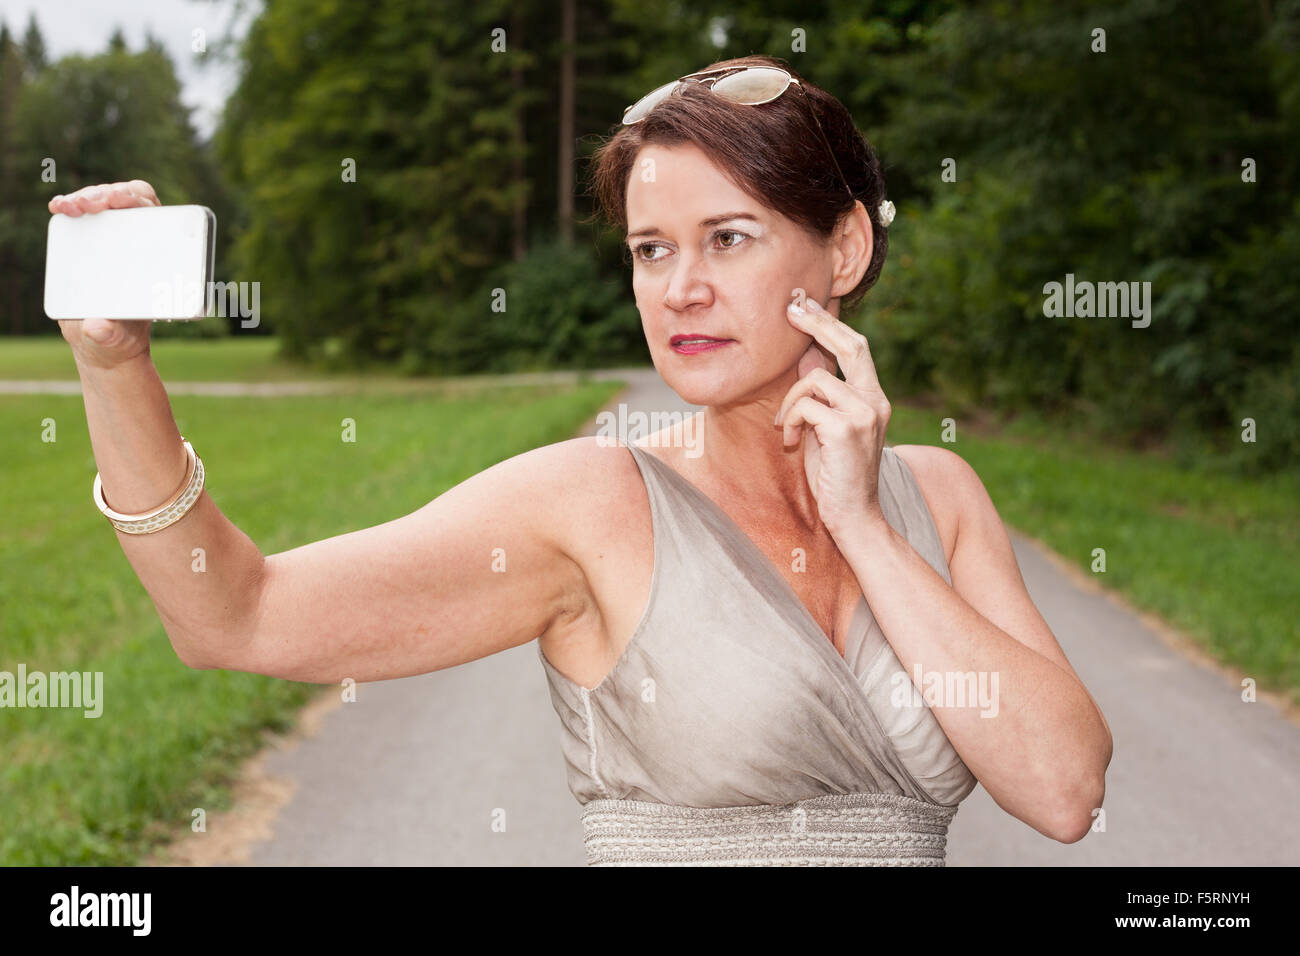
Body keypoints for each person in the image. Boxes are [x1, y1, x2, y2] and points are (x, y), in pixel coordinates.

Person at [49, 53, 1111, 867]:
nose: (679, 286)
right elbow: (232, 615)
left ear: (843, 247)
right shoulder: (589, 500)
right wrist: (115, 367)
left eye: (727, 237)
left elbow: (1063, 789)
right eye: (651, 248)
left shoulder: (938, 495)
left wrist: (866, 527)